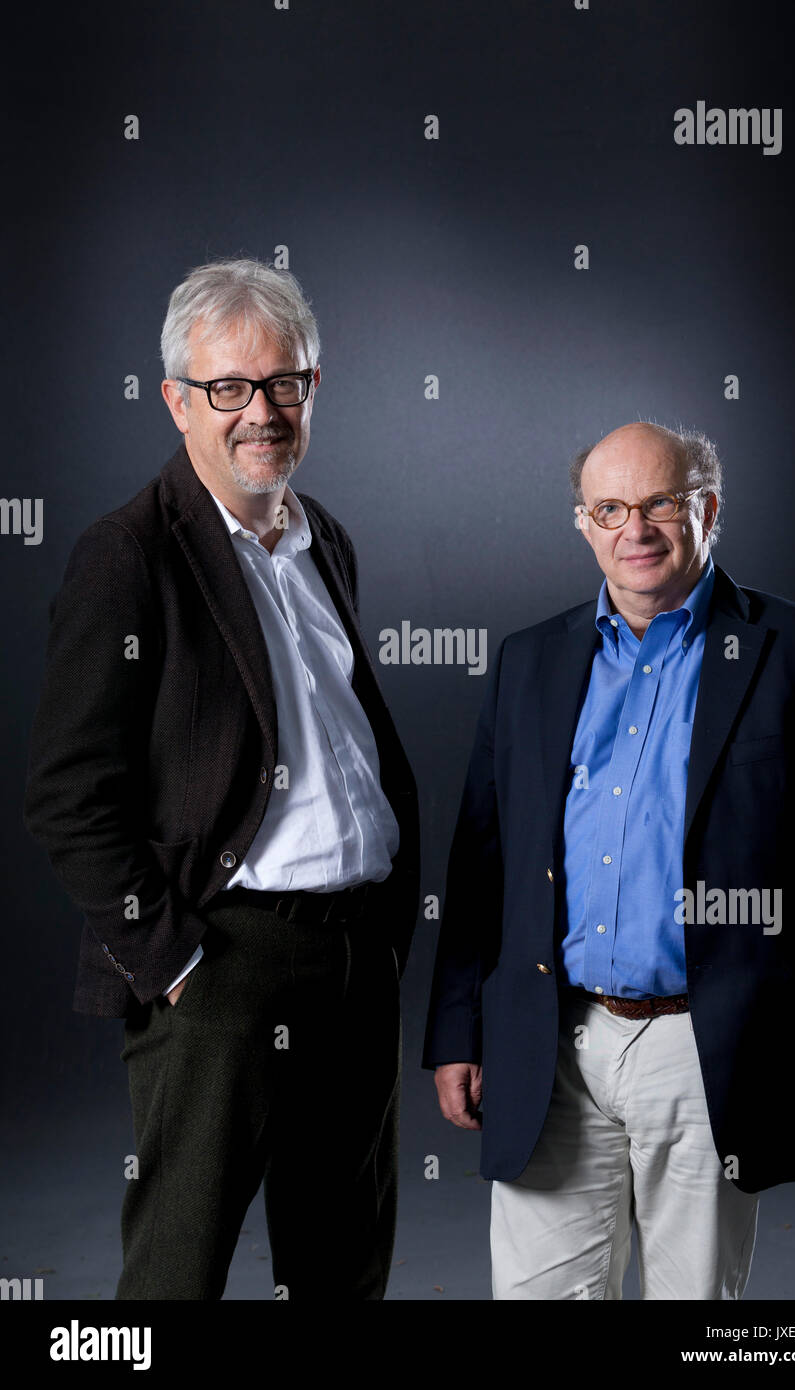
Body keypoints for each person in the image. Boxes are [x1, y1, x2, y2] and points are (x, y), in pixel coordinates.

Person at [23, 257, 419, 1301]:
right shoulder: (126, 554)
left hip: (348, 958)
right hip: (220, 965)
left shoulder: (319, 536)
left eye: (281, 383)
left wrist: (381, 934)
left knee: (341, 1262)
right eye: (227, 389)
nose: (259, 412)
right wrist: (170, 957)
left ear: (313, 388)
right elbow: (67, 791)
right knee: (175, 1276)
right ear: (177, 401)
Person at [423, 421, 795, 1300]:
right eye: (611, 508)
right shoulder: (527, 661)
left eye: (660, 502)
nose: (637, 529)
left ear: (706, 509)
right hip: (552, 1040)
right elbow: (480, 863)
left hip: (707, 1043)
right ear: (583, 523)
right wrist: (457, 1031)